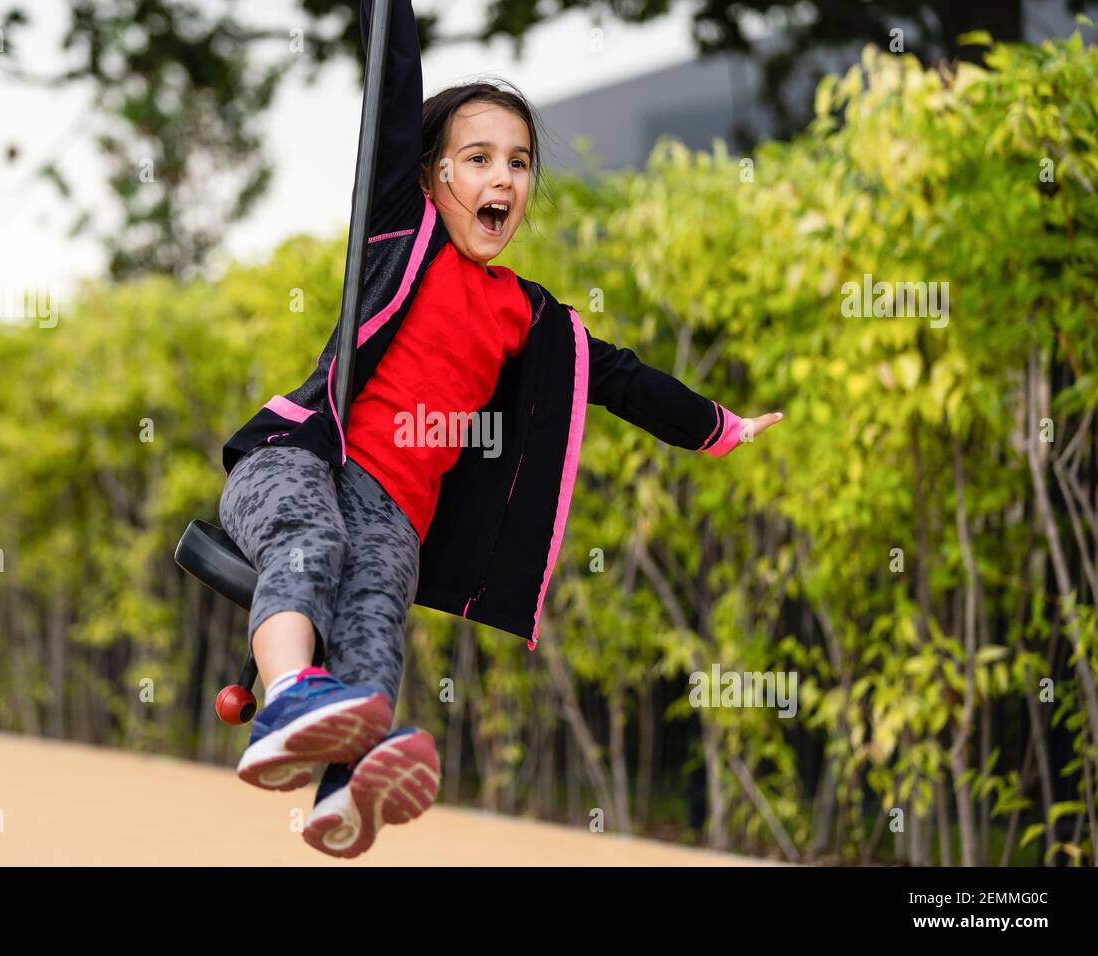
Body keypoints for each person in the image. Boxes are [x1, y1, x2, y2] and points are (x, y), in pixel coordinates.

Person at [218, 0, 784, 859]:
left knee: (373, 619)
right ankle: (289, 693)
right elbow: (394, 84)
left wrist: (716, 425)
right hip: (299, 459)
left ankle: (342, 790)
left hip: (395, 510)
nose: (504, 179)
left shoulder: (527, 313)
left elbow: (621, 377)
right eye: (477, 158)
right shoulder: (398, 237)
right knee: (310, 544)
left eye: (518, 163)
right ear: (429, 176)